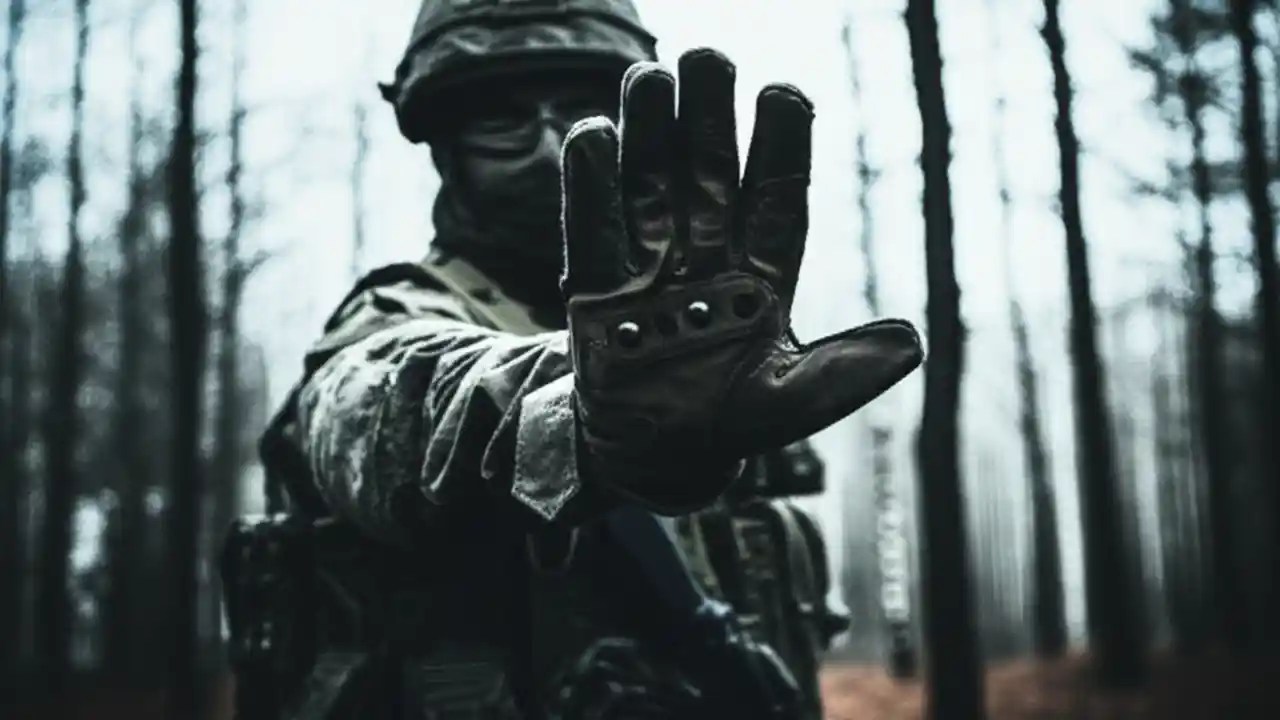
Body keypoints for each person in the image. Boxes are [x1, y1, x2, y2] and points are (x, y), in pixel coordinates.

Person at [221, 1, 924, 718]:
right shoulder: (391, 321)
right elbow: (395, 406)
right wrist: (588, 408)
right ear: (444, 145)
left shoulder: (718, 344)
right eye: (500, 119)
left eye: (584, 111)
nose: (547, 145)